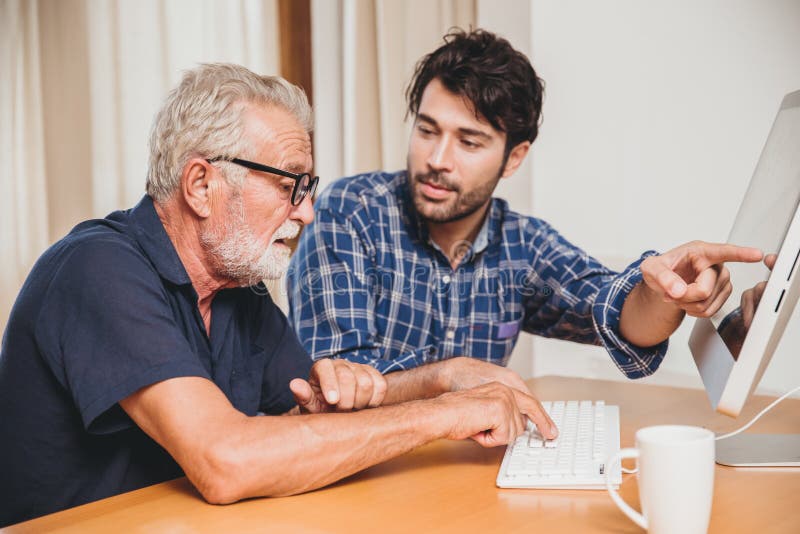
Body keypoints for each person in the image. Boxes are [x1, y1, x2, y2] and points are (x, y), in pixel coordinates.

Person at [0, 63, 556, 527]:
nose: (307, 211)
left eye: (308, 187)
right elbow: (228, 461)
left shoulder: (238, 289)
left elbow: (315, 418)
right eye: (290, 183)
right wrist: (444, 414)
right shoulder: (97, 268)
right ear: (201, 185)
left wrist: (441, 378)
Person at [287, 28, 763, 377]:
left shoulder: (521, 244)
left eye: (469, 143)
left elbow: (613, 310)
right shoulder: (347, 213)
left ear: (513, 158)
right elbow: (341, 383)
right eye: (427, 130)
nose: (436, 159)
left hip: (458, 481)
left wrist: (664, 292)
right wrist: (450, 383)